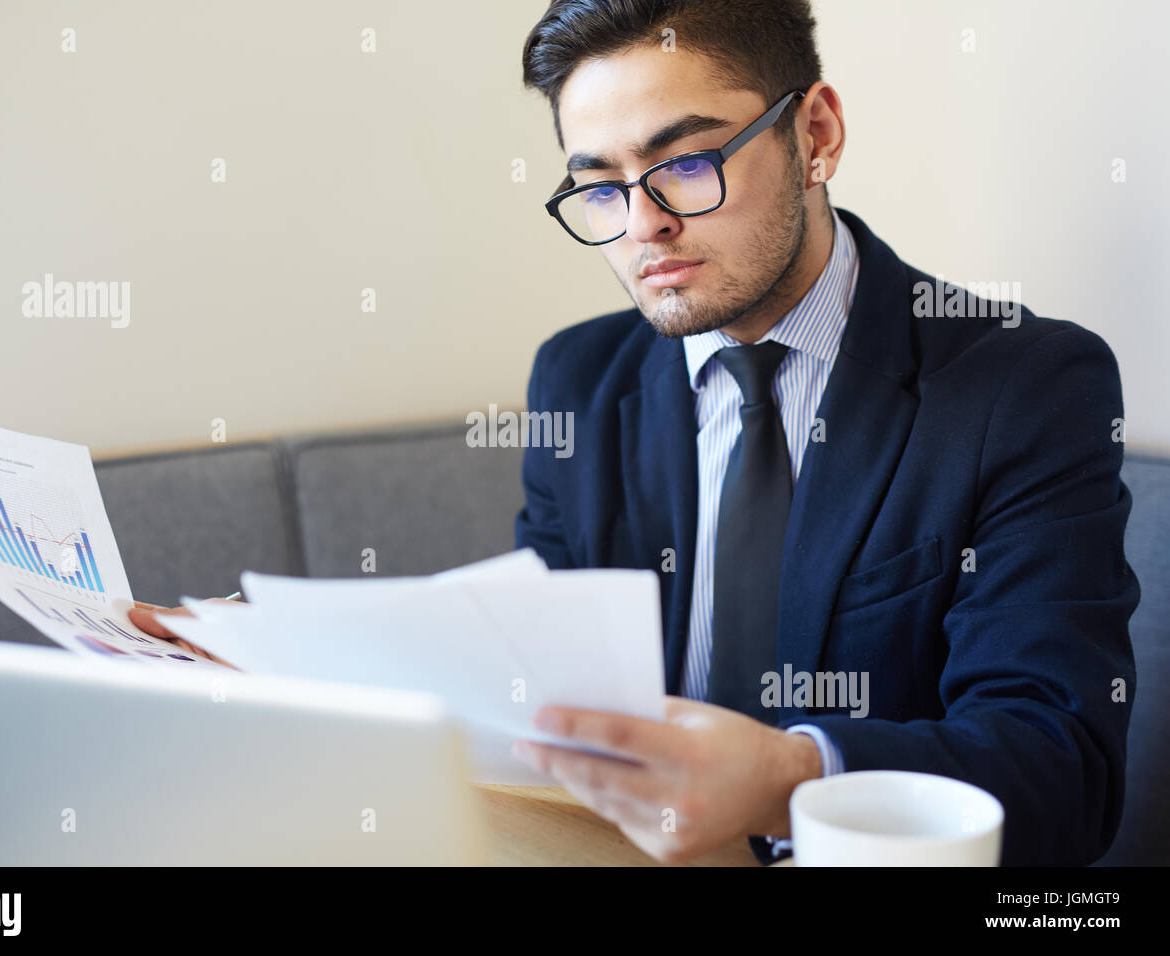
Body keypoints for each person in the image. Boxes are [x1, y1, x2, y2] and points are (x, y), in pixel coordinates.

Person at [132, 0, 1139, 866]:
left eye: (687, 162)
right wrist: (290, 663)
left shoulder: (1023, 382)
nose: (641, 225)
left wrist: (789, 776)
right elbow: (533, 654)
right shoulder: (579, 377)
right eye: (600, 186)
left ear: (816, 135)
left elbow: (1058, 768)